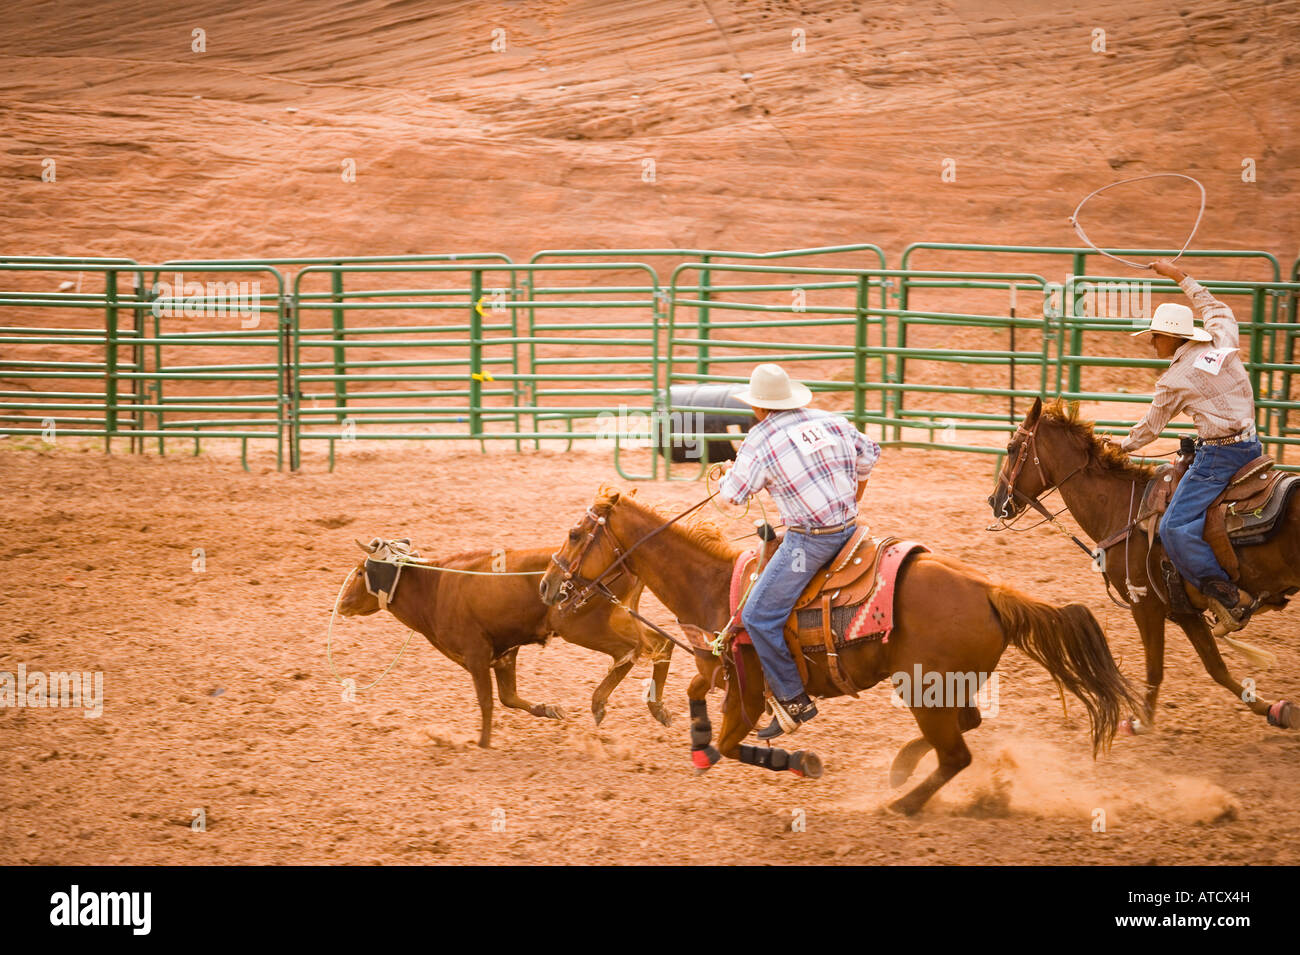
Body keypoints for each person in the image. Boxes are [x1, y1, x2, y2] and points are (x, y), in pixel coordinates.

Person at [717, 363, 880, 739]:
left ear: (758, 407)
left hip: (811, 541)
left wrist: (729, 471)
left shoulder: (759, 439)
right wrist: (854, 497)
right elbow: (869, 455)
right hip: (852, 532)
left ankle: (793, 700)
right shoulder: (831, 420)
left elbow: (733, 496)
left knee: (758, 614)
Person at [1118, 259, 1261, 637]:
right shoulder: (1220, 338)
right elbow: (1217, 308)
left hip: (1220, 457)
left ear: (1174, 337)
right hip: (1251, 446)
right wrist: (1179, 276)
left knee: (1176, 527)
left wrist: (1120, 445)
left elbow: (1149, 429)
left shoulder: (1175, 378)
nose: (1152, 341)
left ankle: (1229, 598)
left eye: (1156, 335)